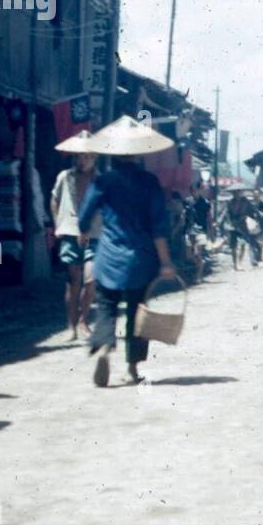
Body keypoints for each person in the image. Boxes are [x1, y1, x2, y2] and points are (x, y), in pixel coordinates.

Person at [79, 116, 178, 387]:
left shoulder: (103, 182)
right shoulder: (149, 182)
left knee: (107, 307)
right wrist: (166, 262)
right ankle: (132, 369)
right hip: (141, 260)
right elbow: (159, 226)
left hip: (108, 258)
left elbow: (84, 217)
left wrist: (84, 231)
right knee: (137, 312)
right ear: (137, 153)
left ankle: (102, 346)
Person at [49, 131, 100, 341]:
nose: (83, 160)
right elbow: (54, 200)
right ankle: (71, 326)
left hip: (95, 234)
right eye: (80, 156)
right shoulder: (65, 177)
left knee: (91, 279)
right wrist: (57, 225)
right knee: (73, 281)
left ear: (94, 157)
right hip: (70, 231)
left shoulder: (100, 180)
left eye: (87, 156)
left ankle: (84, 320)